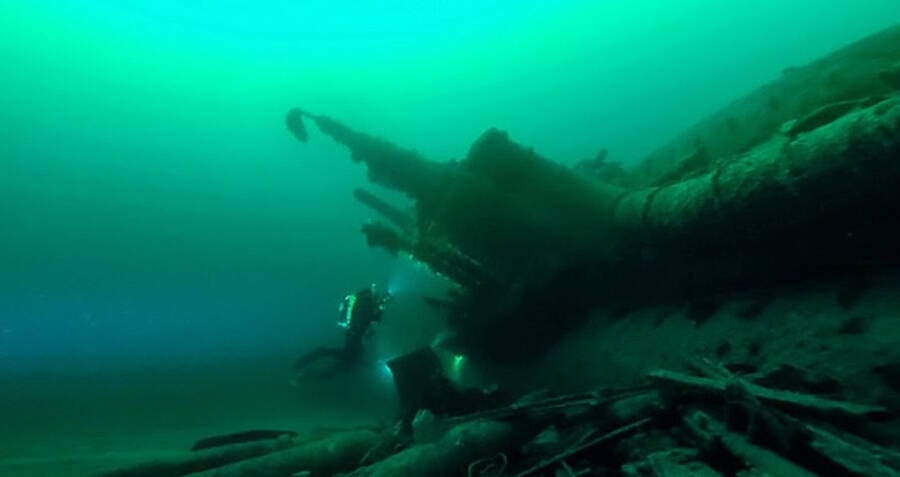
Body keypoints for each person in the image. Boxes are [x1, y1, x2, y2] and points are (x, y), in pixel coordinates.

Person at [293, 284, 392, 381]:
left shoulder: (365, 300)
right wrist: (379, 311)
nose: (380, 299)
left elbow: (371, 319)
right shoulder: (366, 302)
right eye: (381, 298)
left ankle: (313, 370)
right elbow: (370, 319)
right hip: (354, 334)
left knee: (350, 358)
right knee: (347, 357)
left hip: (353, 334)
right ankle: (309, 370)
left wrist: (380, 309)